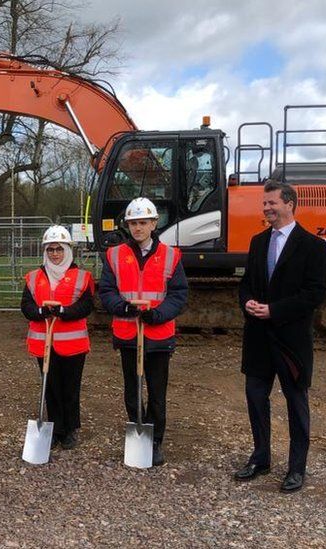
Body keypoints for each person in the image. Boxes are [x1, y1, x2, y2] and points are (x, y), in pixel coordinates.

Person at [234, 180, 326, 493]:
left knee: (296, 403)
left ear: (289, 203)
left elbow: (315, 293)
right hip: (258, 340)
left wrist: (274, 310)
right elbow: (246, 283)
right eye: (264, 204)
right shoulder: (258, 242)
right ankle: (261, 458)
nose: (266, 208)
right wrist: (246, 301)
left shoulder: (312, 246)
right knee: (255, 397)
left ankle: (296, 468)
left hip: (291, 342)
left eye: (271, 203)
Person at [99, 197, 188, 466]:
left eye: (143, 222)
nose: (138, 228)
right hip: (128, 334)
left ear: (153, 223)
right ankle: (137, 431)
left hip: (158, 336)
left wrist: (157, 314)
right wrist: (124, 308)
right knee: (132, 389)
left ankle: (156, 440)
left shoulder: (171, 256)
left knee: (157, 393)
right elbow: (107, 291)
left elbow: (179, 294)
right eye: (133, 223)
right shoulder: (114, 255)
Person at [20, 225, 94, 449]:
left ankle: (70, 429)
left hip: (72, 344)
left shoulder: (81, 277)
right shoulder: (34, 277)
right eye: (50, 249)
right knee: (50, 386)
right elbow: (26, 306)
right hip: (44, 342)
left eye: (59, 249)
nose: (54, 254)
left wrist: (63, 312)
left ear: (67, 250)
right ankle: (55, 428)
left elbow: (86, 306)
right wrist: (41, 312)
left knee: (70, 387)